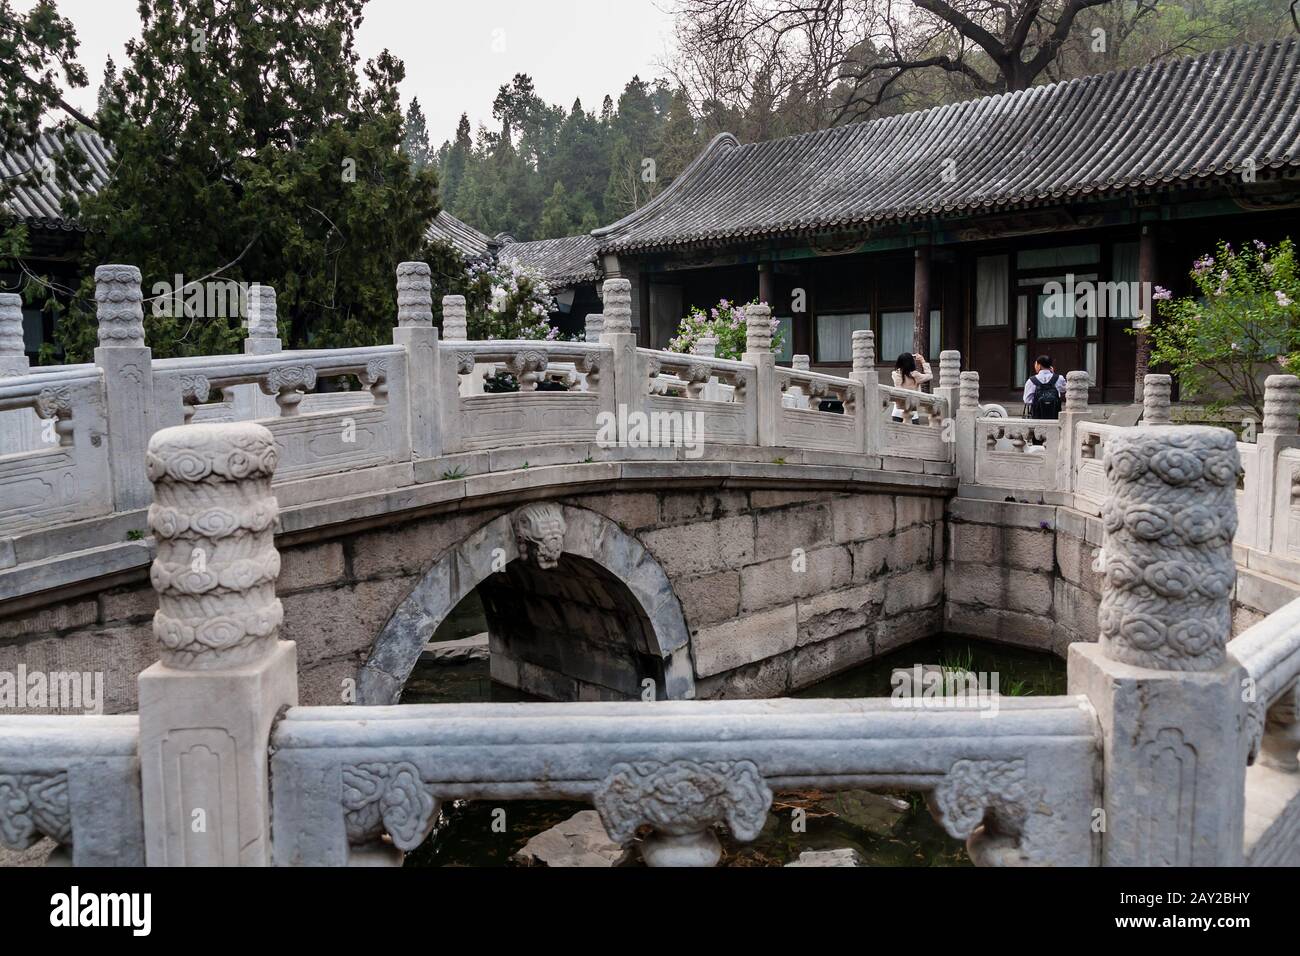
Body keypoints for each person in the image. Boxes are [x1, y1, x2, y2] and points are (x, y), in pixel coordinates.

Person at [891, 351, 932, 423]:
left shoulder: (894, 374)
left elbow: (900, 371)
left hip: (897, 411)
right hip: (912, 412)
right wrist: (923, 361)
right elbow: (929, 375)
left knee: (897, 434)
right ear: (911, 363)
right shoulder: (915, 376)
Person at [1023, 355, 1066, 419]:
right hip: (1055, 416)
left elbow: (1027, 400)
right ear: (1050, 366)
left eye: (1035, 364)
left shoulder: (1031, 380)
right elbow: (1064, 389)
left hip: (1037, 416)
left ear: (1039, 365)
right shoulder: (1059, 378)